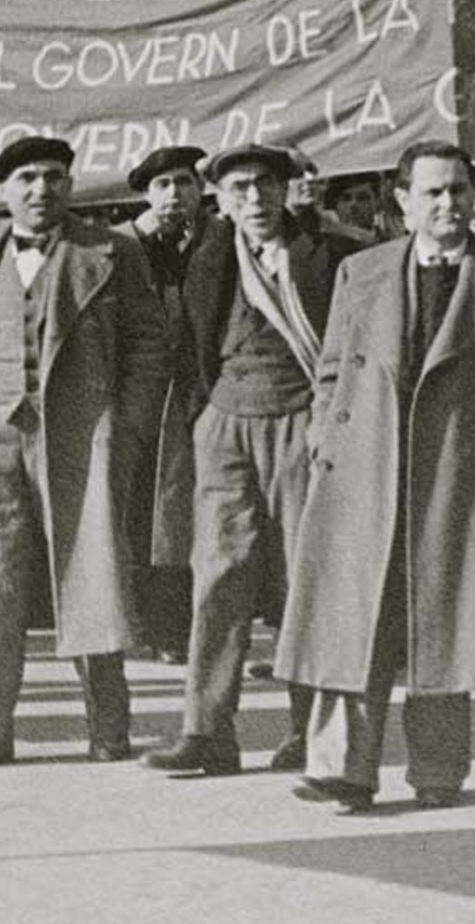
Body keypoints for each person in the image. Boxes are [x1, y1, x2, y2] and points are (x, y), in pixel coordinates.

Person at [277, 142, 475, 814]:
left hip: (458, 479)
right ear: (401, 201)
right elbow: (331, 368)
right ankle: (342, 767)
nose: (449, 204)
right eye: (432, 192)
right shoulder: (362, 271)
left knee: (443, 620)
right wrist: (326, 440)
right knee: (355, 619)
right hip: (363, 471)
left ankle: (438, 771)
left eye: (460, 190)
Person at [0, 137, 170, 768]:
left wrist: (128, 425)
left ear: (71, 186)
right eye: (25, 177)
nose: (41, 189)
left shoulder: (113, 251)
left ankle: (108, 722)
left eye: (54, 177)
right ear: (2, 191)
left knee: (92, 572)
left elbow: (148, 342)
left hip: (80, 431)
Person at [146, 146, 364, 778]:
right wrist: (205, 415)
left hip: (303, 419)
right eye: (239, 189)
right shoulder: (208, 255)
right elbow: (189, 345)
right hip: (225, 421)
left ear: (286, 188)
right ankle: (206, 729)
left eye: (266, 185)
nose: (255, 200)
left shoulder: (330, 252)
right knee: (217, 574)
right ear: (218, 198)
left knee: (307, 577)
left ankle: (308, 731)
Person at [118, 144, 216, 666]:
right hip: (142, 397)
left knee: (186, 515)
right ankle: (142, 622)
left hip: (199, 394)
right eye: (162, 186)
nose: (174, 195)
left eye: (184, 183)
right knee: (139, 512)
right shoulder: (126, 248)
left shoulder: (216, 242)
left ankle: (180, 627)